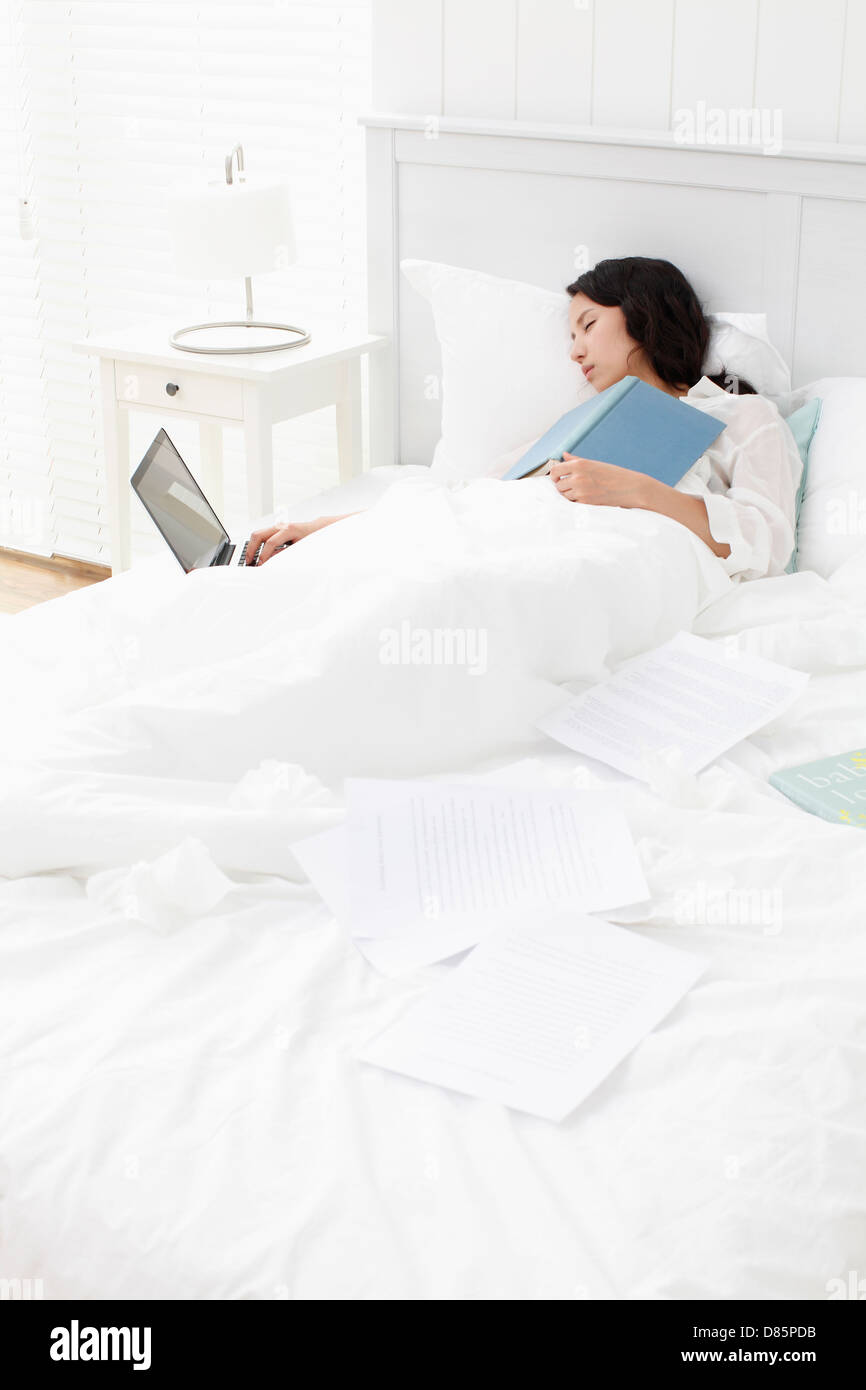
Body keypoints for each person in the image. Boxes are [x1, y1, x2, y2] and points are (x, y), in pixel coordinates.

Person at [244, 257, 801, 584]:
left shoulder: (742, 416)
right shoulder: (577, 427)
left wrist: (639, 492)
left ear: (643, 315)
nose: (574, 351)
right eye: (570, 335)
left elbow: (771, 544)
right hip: (499, 551)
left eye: (587, 324)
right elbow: (461, 499)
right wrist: (318, 531)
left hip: (604, 569)